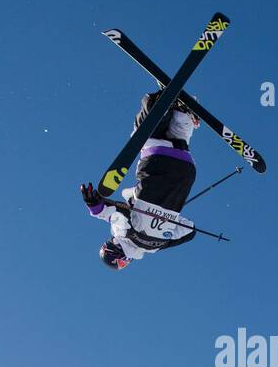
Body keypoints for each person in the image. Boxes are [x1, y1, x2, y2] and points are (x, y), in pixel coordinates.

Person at [80, 92, 201, 271]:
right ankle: (159, 101)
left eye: (122, 263)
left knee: (178, 137)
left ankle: (184, 113)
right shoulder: (124, 234)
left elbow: (190, 231)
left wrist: (167, 218)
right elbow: (117, 213)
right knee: (142, 134)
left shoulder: (157, 246)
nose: (126, 261)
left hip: (186, 169)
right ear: (112, 249)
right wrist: (95, 207)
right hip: (157, 165)